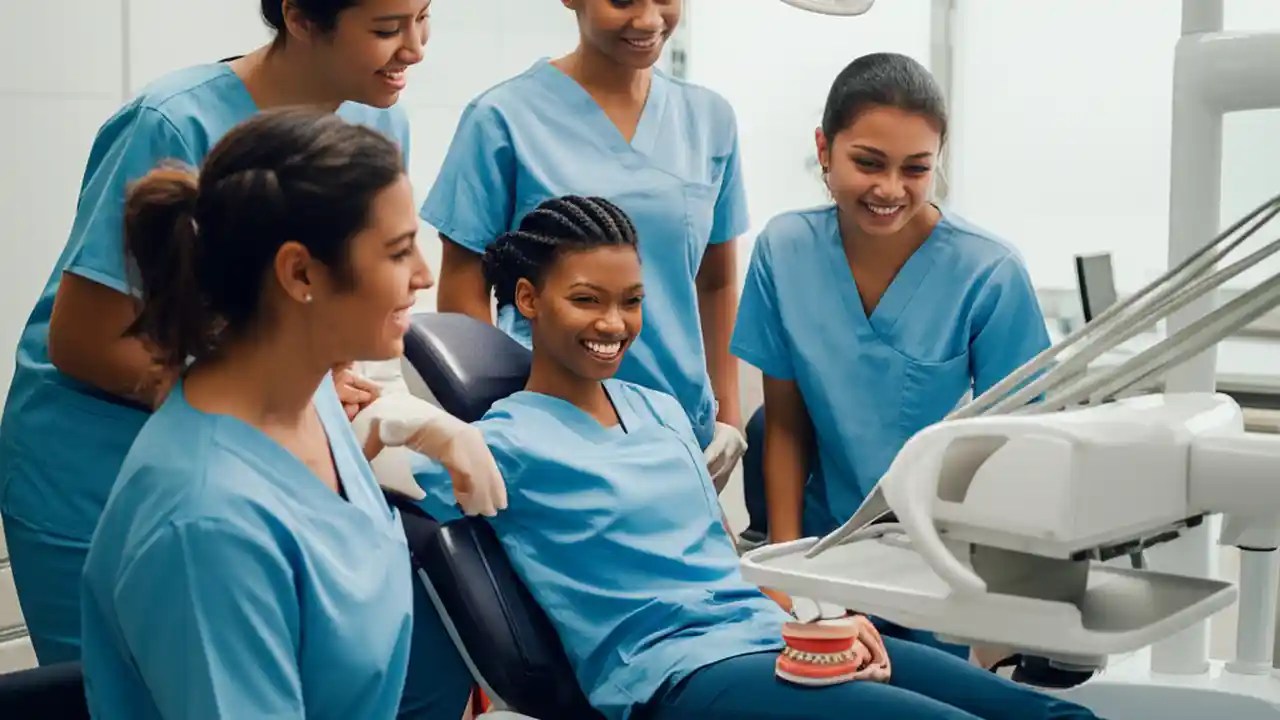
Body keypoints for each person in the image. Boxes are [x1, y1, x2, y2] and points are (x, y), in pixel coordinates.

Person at [387, 194, 1099, 720]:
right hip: (679, 677)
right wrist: (406, 423)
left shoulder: (658, 410)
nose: (614, 324)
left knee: (1059, 717)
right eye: (586, 300)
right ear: (527, 300)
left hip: (768, 637)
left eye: (631, 301)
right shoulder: (502, 442)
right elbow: (369, 515)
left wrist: (822, 622)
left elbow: (727, 561)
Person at [0, 0, 430, 663]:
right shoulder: (172, 121)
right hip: (96, 460)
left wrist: (320, 383)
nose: (415, 48)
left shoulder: (376, 116)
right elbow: (83, 339)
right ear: (301, 17)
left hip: (248, 451)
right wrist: (263, 404)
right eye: (385, 29)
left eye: (425, 17)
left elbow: (306, 300)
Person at [80, 109, 491, 719]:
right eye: (399, 251)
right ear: (300, 273)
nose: (425, 275)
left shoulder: (311, 400)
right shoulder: (205, 529)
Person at [731, 52, 1052, 658]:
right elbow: (784, 424)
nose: (889, 189)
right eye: (868, 162)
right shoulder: (786, 248)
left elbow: (1016, 450)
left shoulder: (988, 272)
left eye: (916, 169)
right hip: (824, 548)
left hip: (933, 558)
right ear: (824, 149)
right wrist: (787, 567)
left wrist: (1001, 600)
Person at [420, 0, 747, 493]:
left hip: (682, 430)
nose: (649, 20)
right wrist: (494, 426)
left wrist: (728, 414)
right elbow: (464, 290)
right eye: (623, 1)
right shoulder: (503, 119)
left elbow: (716, 279)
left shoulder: (710, 119)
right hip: (552, 434)